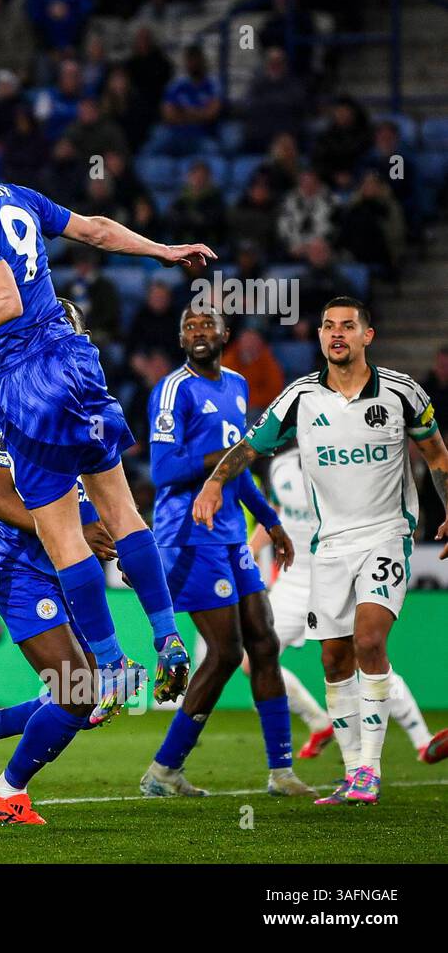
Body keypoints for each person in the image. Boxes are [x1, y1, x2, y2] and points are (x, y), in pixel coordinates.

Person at [0, 119, 214, 723]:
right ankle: (168, 636)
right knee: (121, 509)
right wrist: (163, 251)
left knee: (63, 534)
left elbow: (5, 299)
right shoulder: (14, 195)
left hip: (28, 378)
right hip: (76, 359)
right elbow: (93, 230)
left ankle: (114, 665)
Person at [193, 297, 448, 804]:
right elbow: (250, 447)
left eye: (348, 326)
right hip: (329, 544)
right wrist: (213, 484)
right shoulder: (299, 399)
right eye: (329, 326)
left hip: (385, 533)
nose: (337, 334)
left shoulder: (403, 394)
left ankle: (371, 772)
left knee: (369, 640)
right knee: (334, 660)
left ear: (366, 336)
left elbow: (436, 454)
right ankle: (354, 772)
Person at [0, 297, 122, 825]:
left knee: (102, 699)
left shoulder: (94, 416)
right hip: (22, 571)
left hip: (69, 574)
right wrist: (75, 528)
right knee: (80, 693)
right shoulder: (20, 415)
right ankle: (7, 792)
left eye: (75, 337)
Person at [138, 307, 313, 798]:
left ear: (225, 335)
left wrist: (272, 521)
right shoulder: (172, 391)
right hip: (189, 535)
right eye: (190, 327)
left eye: (207, 326)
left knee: (264, 642)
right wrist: (232, 454)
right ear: (180, 339)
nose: (199, 333)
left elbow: (239, 470)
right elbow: (163, 471)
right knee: (224, 651)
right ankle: (164, 770)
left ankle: (281, 772)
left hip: (233, 534)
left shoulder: (237, 385)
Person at [248, 444, 448, 764]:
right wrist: (251, 550)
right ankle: (319, 722)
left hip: (332, 577)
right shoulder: (280, 466)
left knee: (362, 660)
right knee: (252, 658)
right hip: (292, 582)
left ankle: (422, 741)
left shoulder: (343, 463)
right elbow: (274, 514)